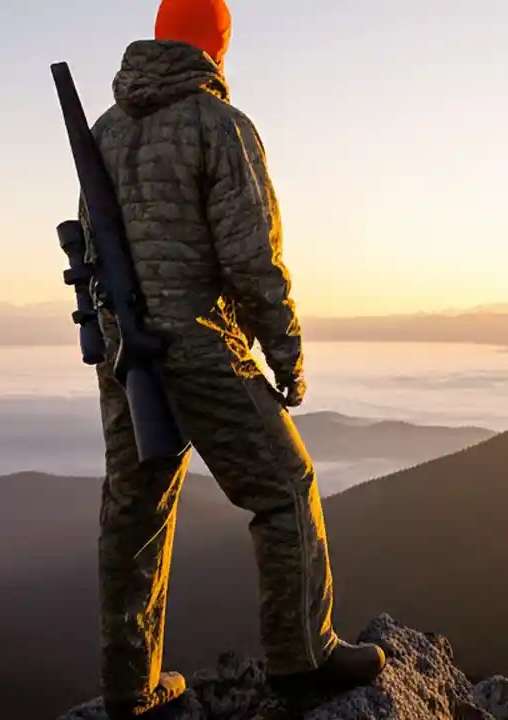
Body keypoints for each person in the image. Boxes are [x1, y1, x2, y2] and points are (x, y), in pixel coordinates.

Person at [84, 0, 387, 717]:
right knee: (286, 487)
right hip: (198, 346)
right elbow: (252, 258)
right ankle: (303, 658)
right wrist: (285, 353)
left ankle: (130, 688)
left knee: (134, 512)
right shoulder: (219, 125)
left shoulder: (103, 131)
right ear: (217, 49)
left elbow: (94, 250)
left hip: (125, 354)